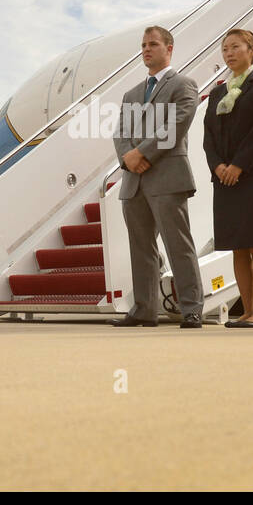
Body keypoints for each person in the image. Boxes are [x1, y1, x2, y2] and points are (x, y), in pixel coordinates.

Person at [110, 26, 204, 328]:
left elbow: (178, 124)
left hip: (167, 177)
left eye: (153, 44)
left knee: (179, 246)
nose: (146, 49)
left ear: (169, 48)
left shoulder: (183, 84)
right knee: (141, 249)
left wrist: (143, 154)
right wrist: (128, 157)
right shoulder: (132, 94)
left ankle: (191, 308)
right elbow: (120, 132)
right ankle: (144, 309)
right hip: (134, 181)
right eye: (143, 45)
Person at [203, 29, 253, 328]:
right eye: (225, 49)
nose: (229, 53)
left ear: (252, 50)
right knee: (238, 245)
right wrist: (218, 166)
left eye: (235, 47)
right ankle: (247, 311)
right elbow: (208, 136)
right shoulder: (217, 93)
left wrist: (238, 165)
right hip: (224, 179)